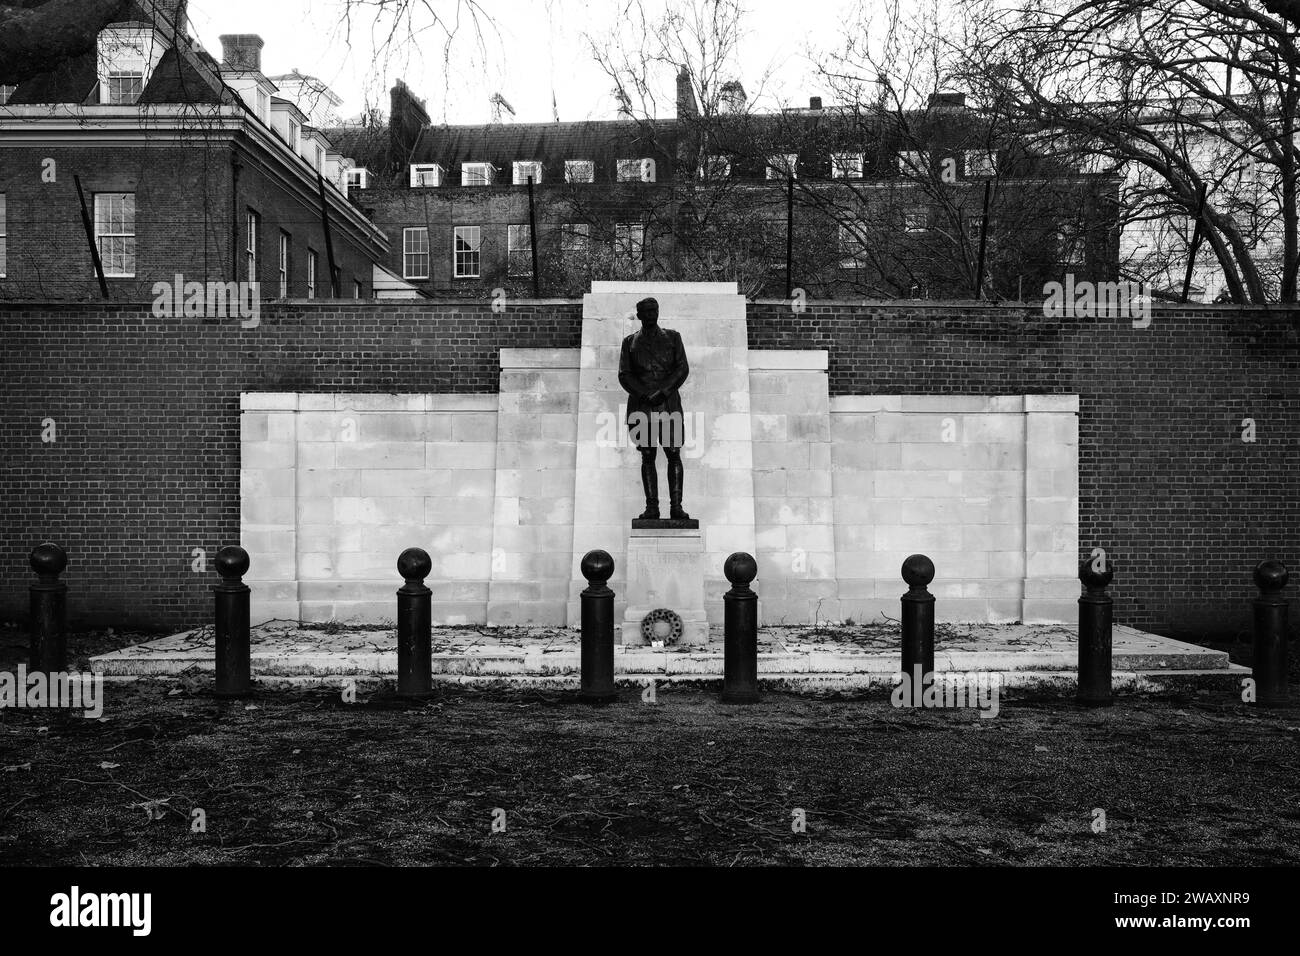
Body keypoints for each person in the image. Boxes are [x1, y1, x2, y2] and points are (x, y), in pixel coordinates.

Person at [617, 296, 691, 520]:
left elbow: (682, 368)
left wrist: (663, 391)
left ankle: (676, 507)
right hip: (642, 406)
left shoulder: (673, 337)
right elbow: (624, 374)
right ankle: (652, 508)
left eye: (654, 310)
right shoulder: (629, 342)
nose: (652, 314)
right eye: (647, 311)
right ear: (639, 315)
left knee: (674, 453)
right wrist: (644, 394)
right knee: (647, 455)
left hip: (669, 404)